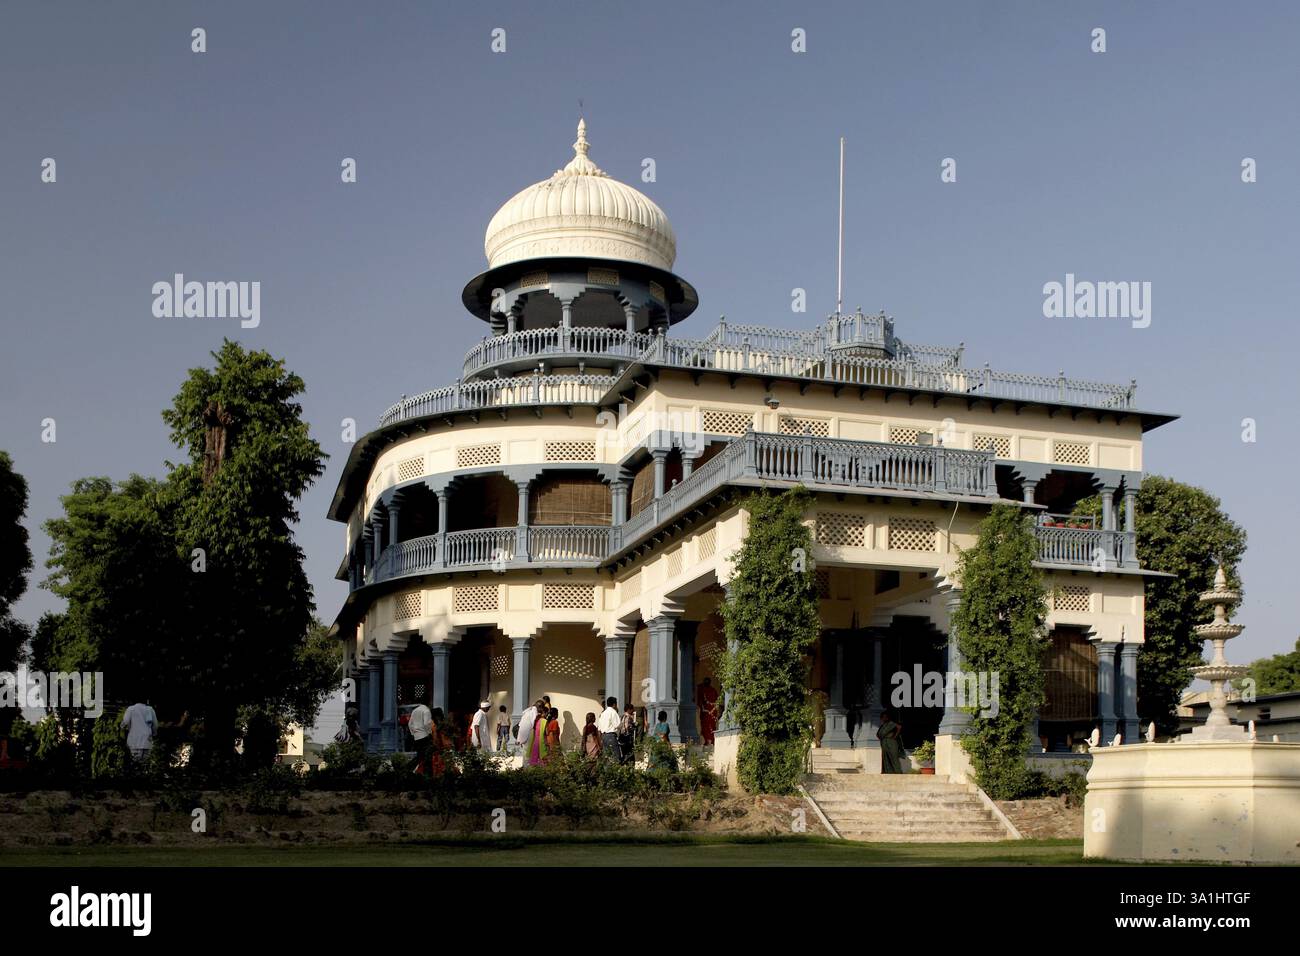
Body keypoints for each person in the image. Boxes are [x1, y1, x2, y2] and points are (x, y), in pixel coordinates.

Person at [408, 700, 433, 773]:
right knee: (425, 756)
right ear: (429, 702)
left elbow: (410, 724)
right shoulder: (426, 710)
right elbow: (426, 724)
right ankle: (413, 769)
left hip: (417, 736)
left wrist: (413, 733)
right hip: (424, 736)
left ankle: (413, 769)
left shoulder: (415, 710)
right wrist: (429, 733)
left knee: (420, 755)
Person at [877, 709, 905, 774]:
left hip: (891, 742)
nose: (885, 718)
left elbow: (899, 727)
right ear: (881, 718)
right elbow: (877, 734)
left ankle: (898, 772)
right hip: (884, 742)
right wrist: (881, 738)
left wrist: (895, 736)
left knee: (894, 757)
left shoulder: (891, 723)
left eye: (886, 717)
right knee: (885, 758)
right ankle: (888, 772)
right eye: (883, 717)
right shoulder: (883, 726)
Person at [696, 678, 719, 745]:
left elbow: (716, 701)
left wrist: (712, 710)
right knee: (706, 728)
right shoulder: (703, 689)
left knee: (710, 727)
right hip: (707, 712)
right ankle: (708, 741)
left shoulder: (712, 690)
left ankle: (711, 741)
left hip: (708, 712)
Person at [596, 696, 620, 760]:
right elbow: (617, 725)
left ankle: (607, 770)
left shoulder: (603, 713)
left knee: (607, 757)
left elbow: (599, 728)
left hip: (604, 736)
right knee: (616, 757)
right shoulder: (613, 712)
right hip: (611, 736)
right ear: (614, 704)